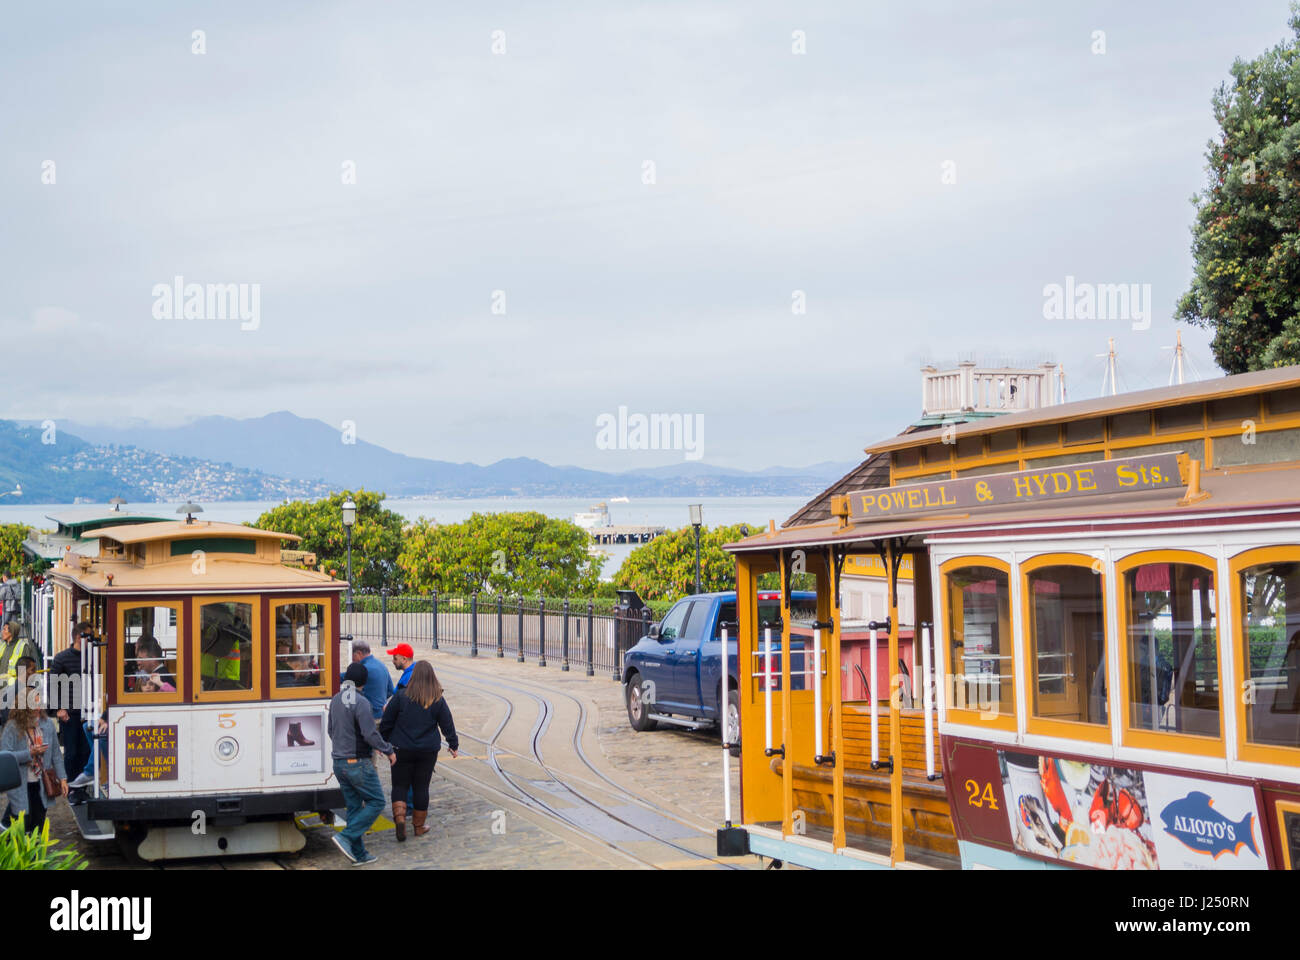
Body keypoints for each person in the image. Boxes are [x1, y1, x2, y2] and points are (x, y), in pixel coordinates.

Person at [378, 660, 458, 841]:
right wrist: (453, 744)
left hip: (401, 748)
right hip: (427, 750)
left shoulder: (400, 696)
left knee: (399, 785)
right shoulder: (437, 698)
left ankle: (400, 820)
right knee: (421, 787)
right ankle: (419, 827)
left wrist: (384, 743)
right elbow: (447, 723)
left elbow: (387, 722)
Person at [328, 662, 395, 865]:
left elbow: (330, 730)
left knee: (354, 808)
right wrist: (388, 750)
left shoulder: (336, 700)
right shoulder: (361, 702)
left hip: (339, 762)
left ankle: (359, 854)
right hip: (357, 762)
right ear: (364, 682)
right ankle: (346, 836)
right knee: (377, 802)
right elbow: (370, 733)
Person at [1, 679, 68, 832]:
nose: (38, 708)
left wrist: (63, 779)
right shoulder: (12, 727)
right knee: (19, 825)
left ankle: (35, 854)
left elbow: (56, 755)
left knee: (38, 824)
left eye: (39, 703)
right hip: (21, 784)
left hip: (42, 783)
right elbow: (6, 758)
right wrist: (29, 753)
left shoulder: (47, 724)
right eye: (34, 704)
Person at [50, 622, 93, 795]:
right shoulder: (61, 658)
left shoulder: (93, 657)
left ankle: (81, 788)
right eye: (88, 637)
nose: (92, 641)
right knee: (71, 752)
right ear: (78, 637)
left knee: (86, 751)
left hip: (88, 712)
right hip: (70, 714)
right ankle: (71, 788)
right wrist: (59, 709)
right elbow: (52, 685)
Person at [344, 640, 393, 721]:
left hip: (368, 716)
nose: (351, 659)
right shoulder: (381, 665)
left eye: (352, 655)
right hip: (381, 714)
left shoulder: (363, 669)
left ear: (358, 653)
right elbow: (390, 690)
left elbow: (344, 677)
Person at [0, 621, 36, 691]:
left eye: (5, 629)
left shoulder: (23, 647)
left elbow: (28, 670)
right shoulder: (2, 646)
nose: (2, 632)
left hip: (14, 689)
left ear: (11, 632)